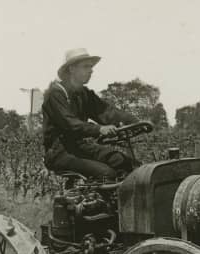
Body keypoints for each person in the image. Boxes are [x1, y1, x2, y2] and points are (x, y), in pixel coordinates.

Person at [41, 48, 143, 181]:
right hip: (59, 152)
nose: (91, 70)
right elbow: (70, 123)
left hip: (80, 147)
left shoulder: (85, 94)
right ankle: (101, 201)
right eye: (86, 67)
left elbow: (107, 112)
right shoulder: (55, 94)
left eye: (91, 67)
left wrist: (135, 122)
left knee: (125, 162)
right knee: (107, 173)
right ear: (71, 69)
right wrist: (99, 129)